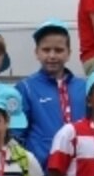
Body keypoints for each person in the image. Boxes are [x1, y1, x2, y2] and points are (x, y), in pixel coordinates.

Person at [16, 22, 85, 157]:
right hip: (43, 167)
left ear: (68, 54)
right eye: (46, 50)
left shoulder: (83, 86)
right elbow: (18, 133)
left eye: (59, 50)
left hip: (79, 165)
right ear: (37, 53)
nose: (52, 56)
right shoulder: (26, 88)